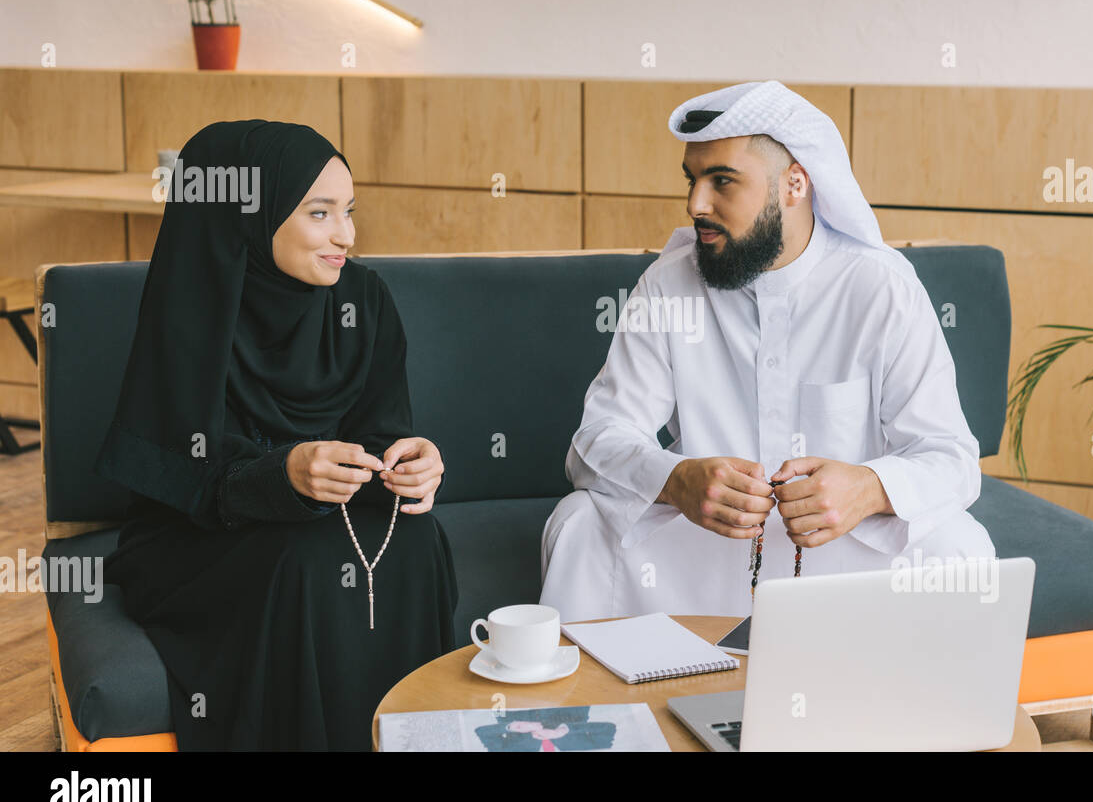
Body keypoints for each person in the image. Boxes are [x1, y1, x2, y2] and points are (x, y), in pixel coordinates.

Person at [539, 81, 995, 621]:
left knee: (959, 546)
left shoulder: (881, 289)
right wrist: (676, 480)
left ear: (794, 184)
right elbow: (595, 441)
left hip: (845, 551)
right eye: (692, 180)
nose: (695, 204)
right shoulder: (667, 286)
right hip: (701, 550)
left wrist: (869, 488)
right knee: (578, 525)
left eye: (722, 181)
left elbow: (952, 459)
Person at [97, 120, 457, 750]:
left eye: (348, 211)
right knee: (307, 563)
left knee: (417, 540)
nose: (346, 235)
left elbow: (381, 432)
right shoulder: (194, 304)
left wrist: (412, 463)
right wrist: (282, 475)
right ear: (250, 216)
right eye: (320, 213)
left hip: (323, 522)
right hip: (195, 535)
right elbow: (181, 477)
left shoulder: (363, 298)